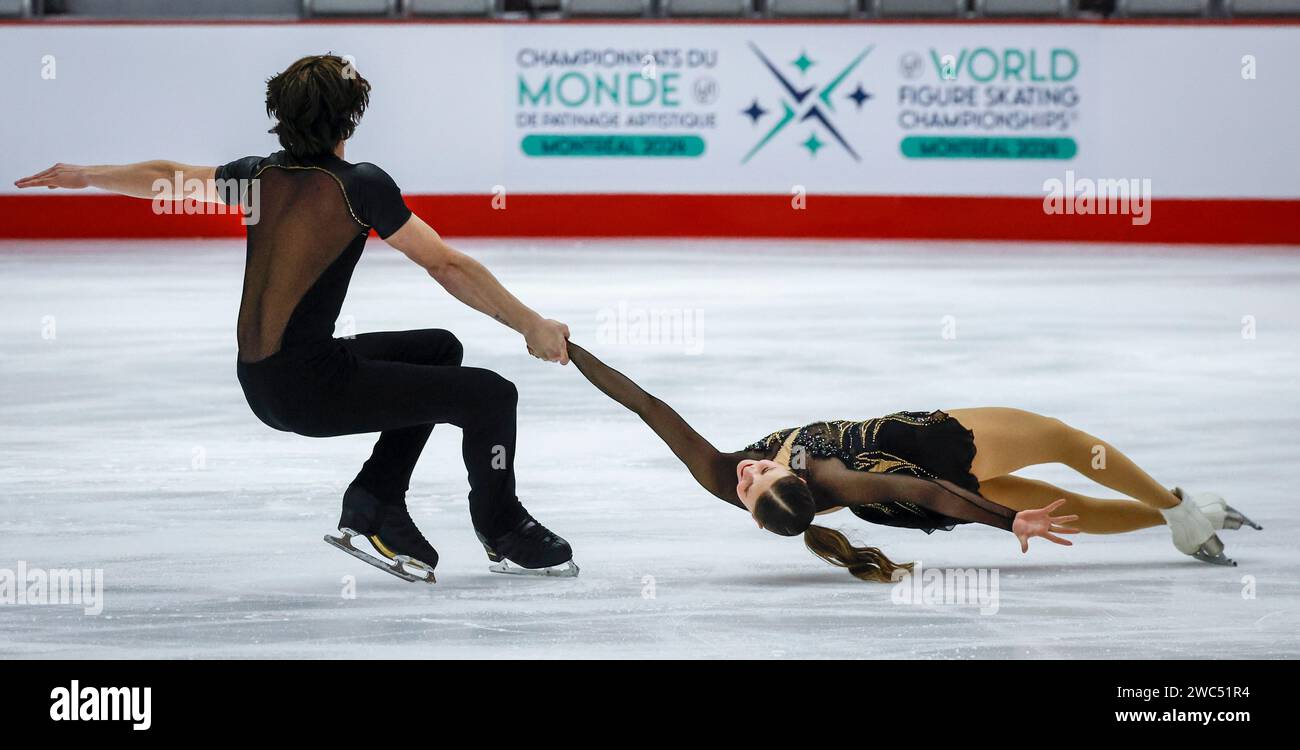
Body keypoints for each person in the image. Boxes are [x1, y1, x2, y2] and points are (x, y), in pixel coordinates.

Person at [14, 54, 578, 583]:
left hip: (265, 380)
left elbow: (167, 175)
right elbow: (446, 264)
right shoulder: (359, 184)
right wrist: (530, 323)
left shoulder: (256, 176)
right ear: (349, 119)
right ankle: (503, 527)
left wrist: (87, 174)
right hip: (311, 388)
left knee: (437, 348)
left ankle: (376, 498)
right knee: (492, 396)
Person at [565, 342, 1259, 581]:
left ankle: (1194, 518)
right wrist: (1008, 519)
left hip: (914, 488)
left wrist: (573, 352)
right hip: (926, 452)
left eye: (753, 475)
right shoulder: (826, 477)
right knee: (1064, 440)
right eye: (757, 479)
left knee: (1067, 496)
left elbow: (649, 408)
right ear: (787, 486)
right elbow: (926, 493)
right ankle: (1178, 513)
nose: (747, 472)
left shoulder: (717, 477)